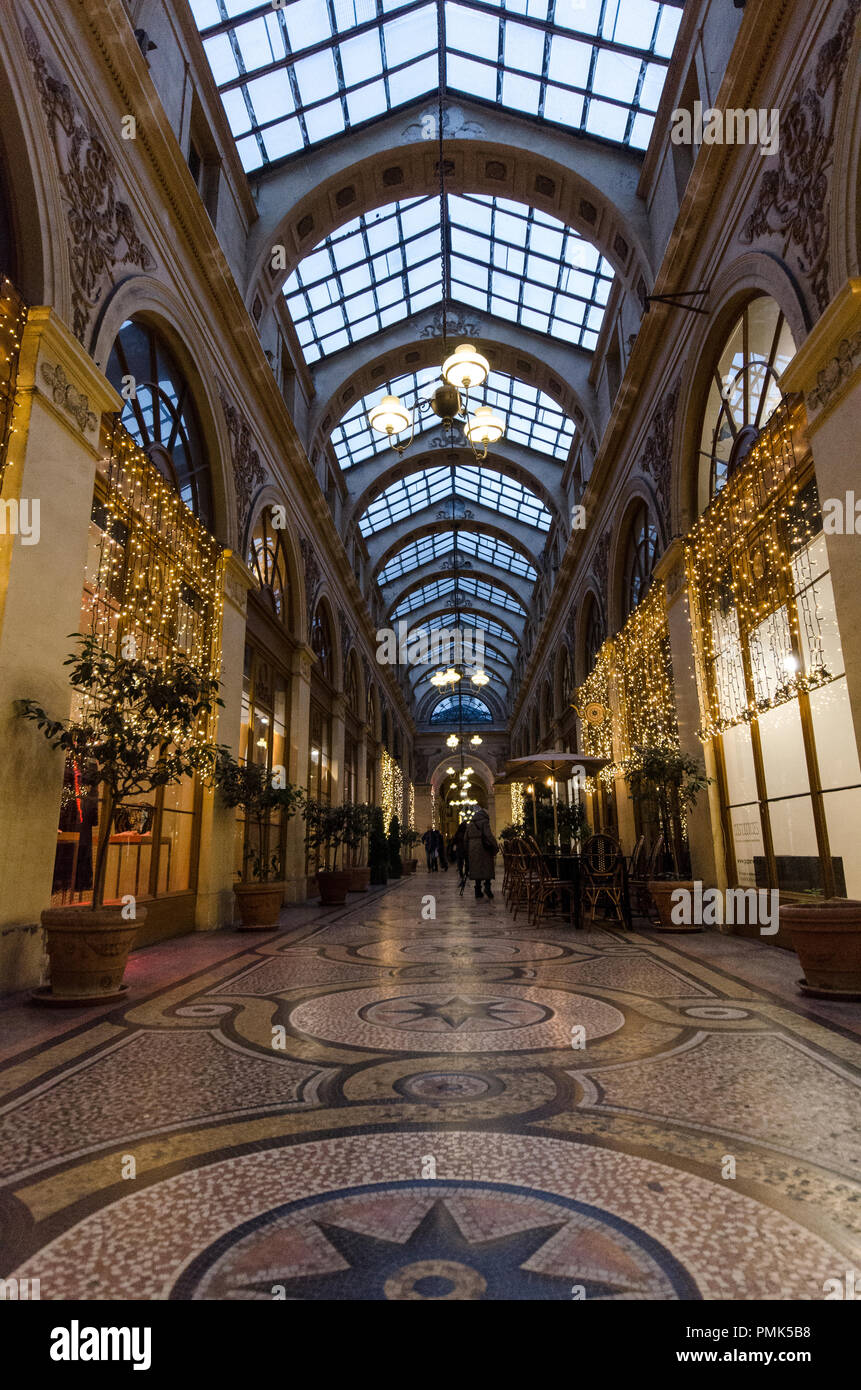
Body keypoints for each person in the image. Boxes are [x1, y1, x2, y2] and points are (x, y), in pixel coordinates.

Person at [466, 807, 499, 900]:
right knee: (487, 867)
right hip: (484, 847)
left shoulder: (470, 824)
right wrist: (495, 846)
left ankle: (477, 891)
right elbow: (488, 835)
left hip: (473, 849)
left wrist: (467, 850)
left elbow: (466, 838)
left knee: (476, 868)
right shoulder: (484, 822)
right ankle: (487, 888)